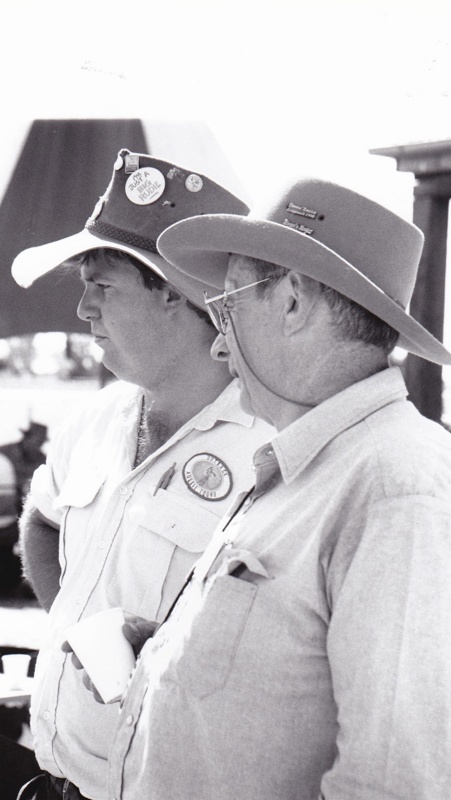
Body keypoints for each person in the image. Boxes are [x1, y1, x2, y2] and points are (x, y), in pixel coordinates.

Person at [104, 177, 451, 800]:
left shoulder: (396, 485)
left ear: (292, 300)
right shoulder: (327, 464)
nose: (216, 342)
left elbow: (396, 782)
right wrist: (172, 650)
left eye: (226, 305)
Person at [10, 149, 272, 800]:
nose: (82, 312)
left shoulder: (272, 453)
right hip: (58, 779)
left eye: (101, 287)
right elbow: (41, 520)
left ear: (179, 297)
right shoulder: (94, 419)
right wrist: (73, 629)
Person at [0, 423, 47, 595]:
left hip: (25, 510)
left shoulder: (42, 459)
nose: (40, 445)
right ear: (27, 438)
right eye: (38, 441)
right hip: (7, 510)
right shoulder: (4, 454)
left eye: (42, 442)